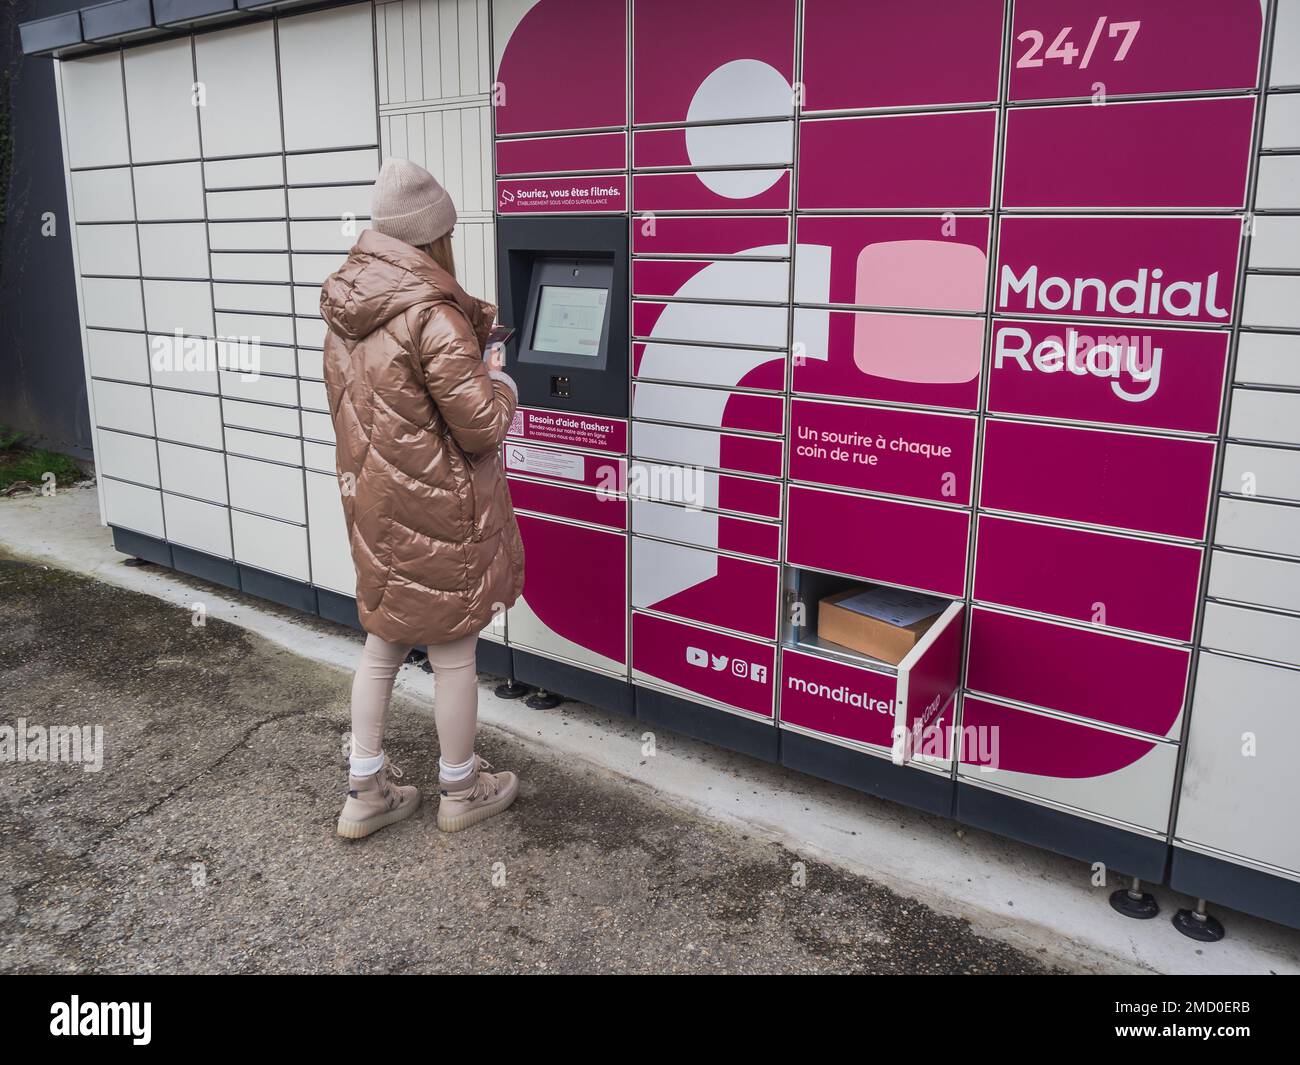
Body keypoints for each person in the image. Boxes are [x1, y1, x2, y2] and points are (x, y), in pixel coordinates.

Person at [319, 158, 524, 839]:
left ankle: (365, 789)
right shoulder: (432, 316)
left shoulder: (349, 307)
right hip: (439, 510)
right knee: (454, 654)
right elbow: (480, 425)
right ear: (433, 237)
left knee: (382, 644)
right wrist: (503, 384)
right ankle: (461, 789)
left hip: (377, 506)